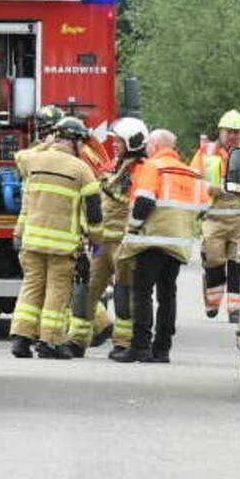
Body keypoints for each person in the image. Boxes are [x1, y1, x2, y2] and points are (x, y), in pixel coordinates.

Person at [8, 115, 101, 359]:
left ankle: (20, 338)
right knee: (57, 292)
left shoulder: (34, 161)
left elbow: (19, 158)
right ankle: (49, 342)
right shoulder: (81, 169)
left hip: (32, 241)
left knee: (31, 288)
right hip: (62, 246)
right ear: (75, 141)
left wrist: (45, 144)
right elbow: (93, 208)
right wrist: (97, 239)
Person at [120, 128, 208, 364]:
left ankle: (140, 347)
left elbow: (144, 202)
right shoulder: (192, 173)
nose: (147, 148)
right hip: (178, 245)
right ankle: (162, 349)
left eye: (149, 144)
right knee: (167, 296)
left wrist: (133, 227)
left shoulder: (153, 166)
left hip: (151, 241)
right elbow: (202, 208)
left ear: (156, 146)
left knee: (142, 293)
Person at [89, 117, 148, 360]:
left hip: (124, 243)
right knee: (88, 289)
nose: (114, 144)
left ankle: (123, 342)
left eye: (119, 141)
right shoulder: (114, 167)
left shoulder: (139, 170)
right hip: (102, 243)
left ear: (132, 143)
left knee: (125, 293)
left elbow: (126, 200)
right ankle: (78, 338)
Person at [197, 111, 240, 320]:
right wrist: (209, 189)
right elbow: (193, 179)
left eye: (237, 132)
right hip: (213, 219)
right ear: (221, 131)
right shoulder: (206, 152)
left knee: (237, 262)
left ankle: (235, 309)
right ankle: (213, 301)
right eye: (230, 131)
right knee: (213, 261)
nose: (233, 136)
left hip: (239, 220)